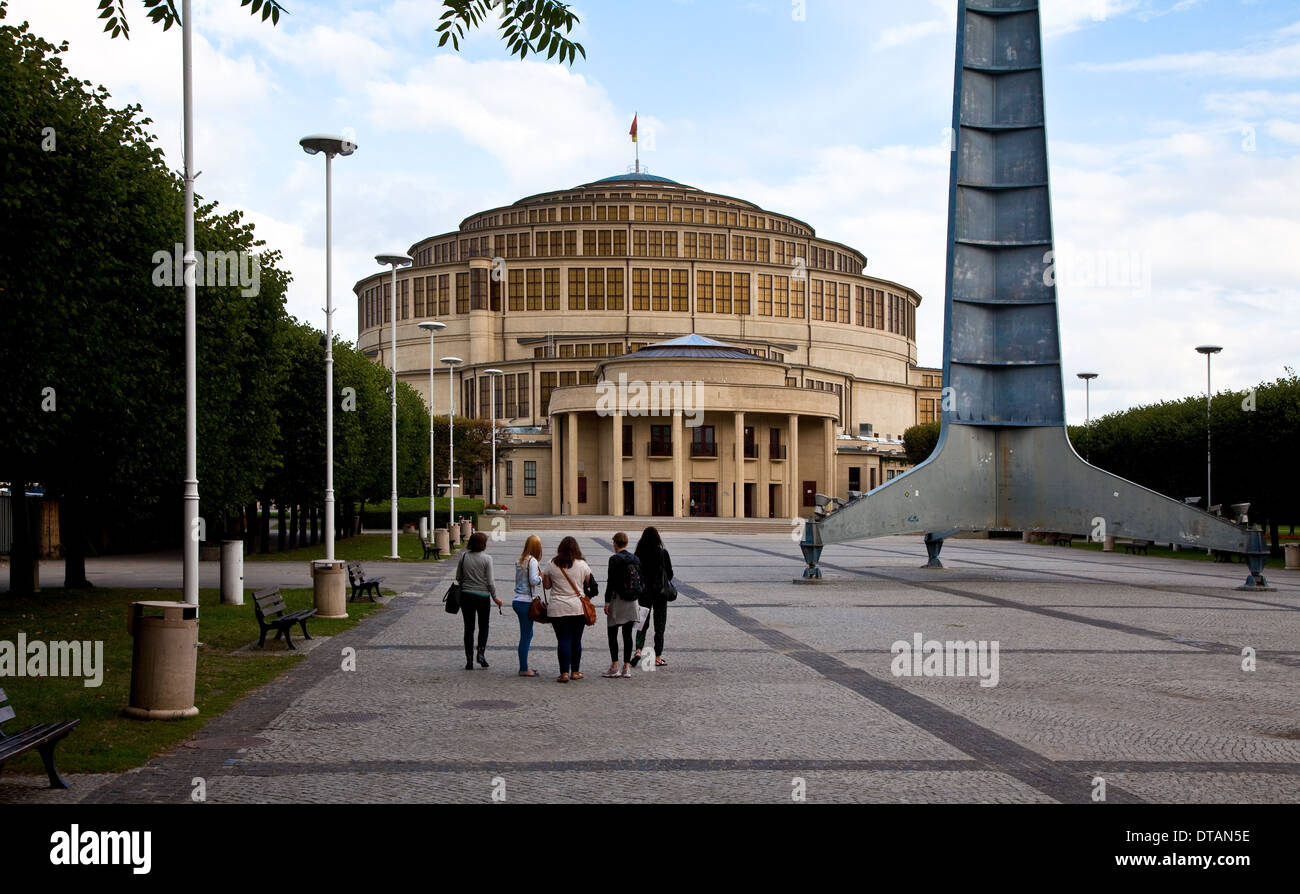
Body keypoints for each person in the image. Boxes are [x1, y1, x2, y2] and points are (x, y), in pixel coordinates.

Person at [542, 535, 595, 683]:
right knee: (576, 640)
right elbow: (589, 583)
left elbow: (547, 586)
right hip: (577, 608)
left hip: (557, 608)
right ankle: (575, 671)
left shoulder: (551, 564)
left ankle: (564, 672)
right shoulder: (582, 564)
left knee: (563, 640)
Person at [457, 531, 503, 670]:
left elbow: (458, 576)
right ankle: (481, 654)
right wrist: (495, 597)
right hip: (483, 597)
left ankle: (469, 659)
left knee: (469, 628)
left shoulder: (464, 556)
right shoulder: (487, 559)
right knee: (484, 626)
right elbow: (490, 582)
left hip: (466, 595)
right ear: (483, 544)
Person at [632, 526, 673, 667]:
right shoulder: (662, 553)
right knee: (659, 626)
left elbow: (635, 572)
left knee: (641, 623)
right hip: (660, 593)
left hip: (644, 593)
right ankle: (657, 657)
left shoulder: (638, 553)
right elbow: (670, 574)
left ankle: (638, 650)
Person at [602, 532, 640, 678]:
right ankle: (626, 667)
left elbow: (610, 582)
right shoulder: (635, 558)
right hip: (632, 601)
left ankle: (614, 666)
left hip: (617, 600)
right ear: (626, 543)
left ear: (615, 543)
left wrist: (606, 602)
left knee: (612, 632)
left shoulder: (614, 559)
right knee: (628, 634)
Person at [513, 535, 544, 677]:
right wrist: (541, 577)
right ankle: (524, 668)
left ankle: (524, 665)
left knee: (527, 634)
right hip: (526, 601)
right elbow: (533, 580)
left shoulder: (520, 559)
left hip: (517, 599)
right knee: (525, 636)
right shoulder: (532, 561)